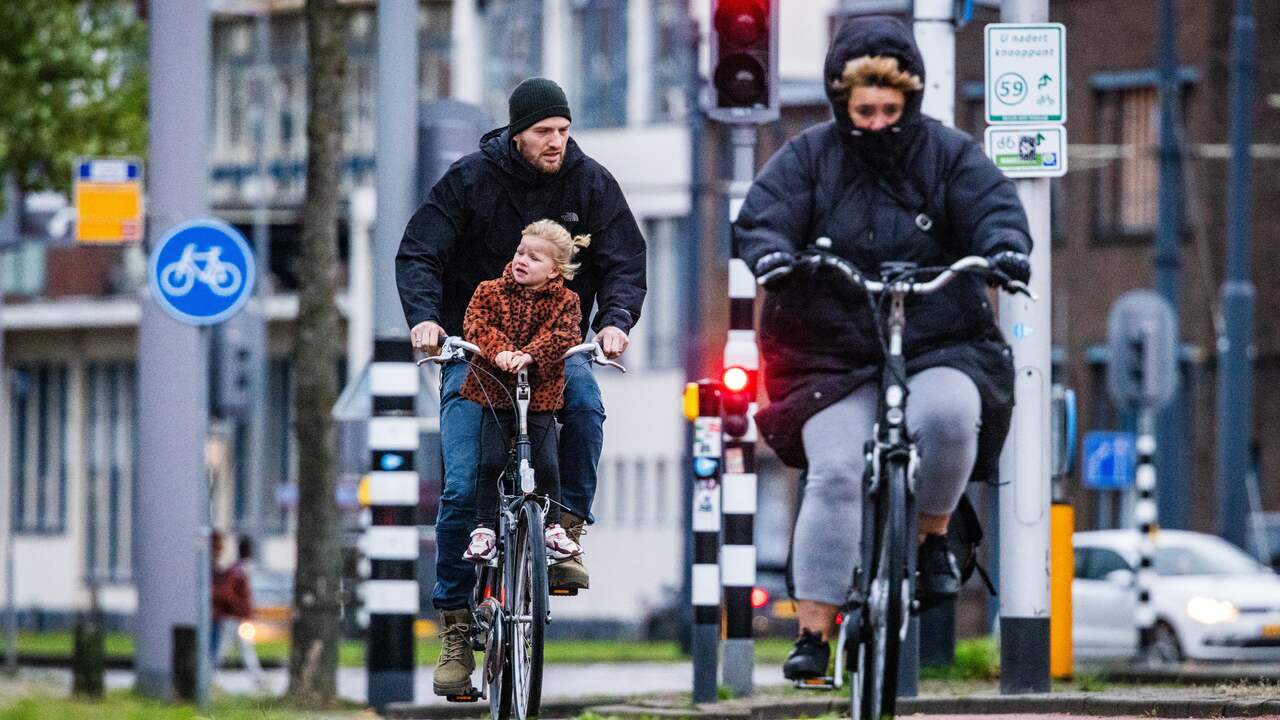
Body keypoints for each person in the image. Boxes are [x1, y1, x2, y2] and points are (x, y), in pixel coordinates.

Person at [733, 16, 1033, 680]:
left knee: (954, 415)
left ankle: (931, 541)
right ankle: (813, 630)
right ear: (843, 102)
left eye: (890, 110)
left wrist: (1005, 251)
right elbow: (764, 215)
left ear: (912, 102)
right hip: (830, 350)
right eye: (863, 110)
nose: (875, 122)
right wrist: (774, 255)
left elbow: (993, 209)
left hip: (937, 338)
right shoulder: (809, 156)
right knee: (836, 469)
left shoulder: (950, 155)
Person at [396, 77, 646, 697]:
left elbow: (624, 262)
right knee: (459, 485)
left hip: (557, 350)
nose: (557, 142)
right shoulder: (469, 180)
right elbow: (420, 253)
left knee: (587, 408)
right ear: (517, 132)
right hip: (475, 350)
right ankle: (456, 630)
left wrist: (614, 324)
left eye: (564, 130)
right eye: (544, 132)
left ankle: (566, 531)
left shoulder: (592, 184)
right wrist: (427, 320)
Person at [461, 220, 588, 563]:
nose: (522, 260)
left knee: (547, 461)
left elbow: (566, 335)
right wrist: (499, 350)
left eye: (534, 258)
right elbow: (476, 323)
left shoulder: (567, 301)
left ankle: (552, 529)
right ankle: (484, 528)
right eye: (520, 252)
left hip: (541, 395)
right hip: (496, 390)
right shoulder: (489, 291)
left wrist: (531, 355)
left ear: (554, 271)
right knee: (490, 461)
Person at [210, 533, 253, 670]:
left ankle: (212, 672)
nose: (220, 550)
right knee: (222, 647)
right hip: (232, 615)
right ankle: (212, 673)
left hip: (230, 614)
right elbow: (226, 593)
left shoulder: (234, 569)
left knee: (227, 647)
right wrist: (238, 606)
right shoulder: (238, 571)